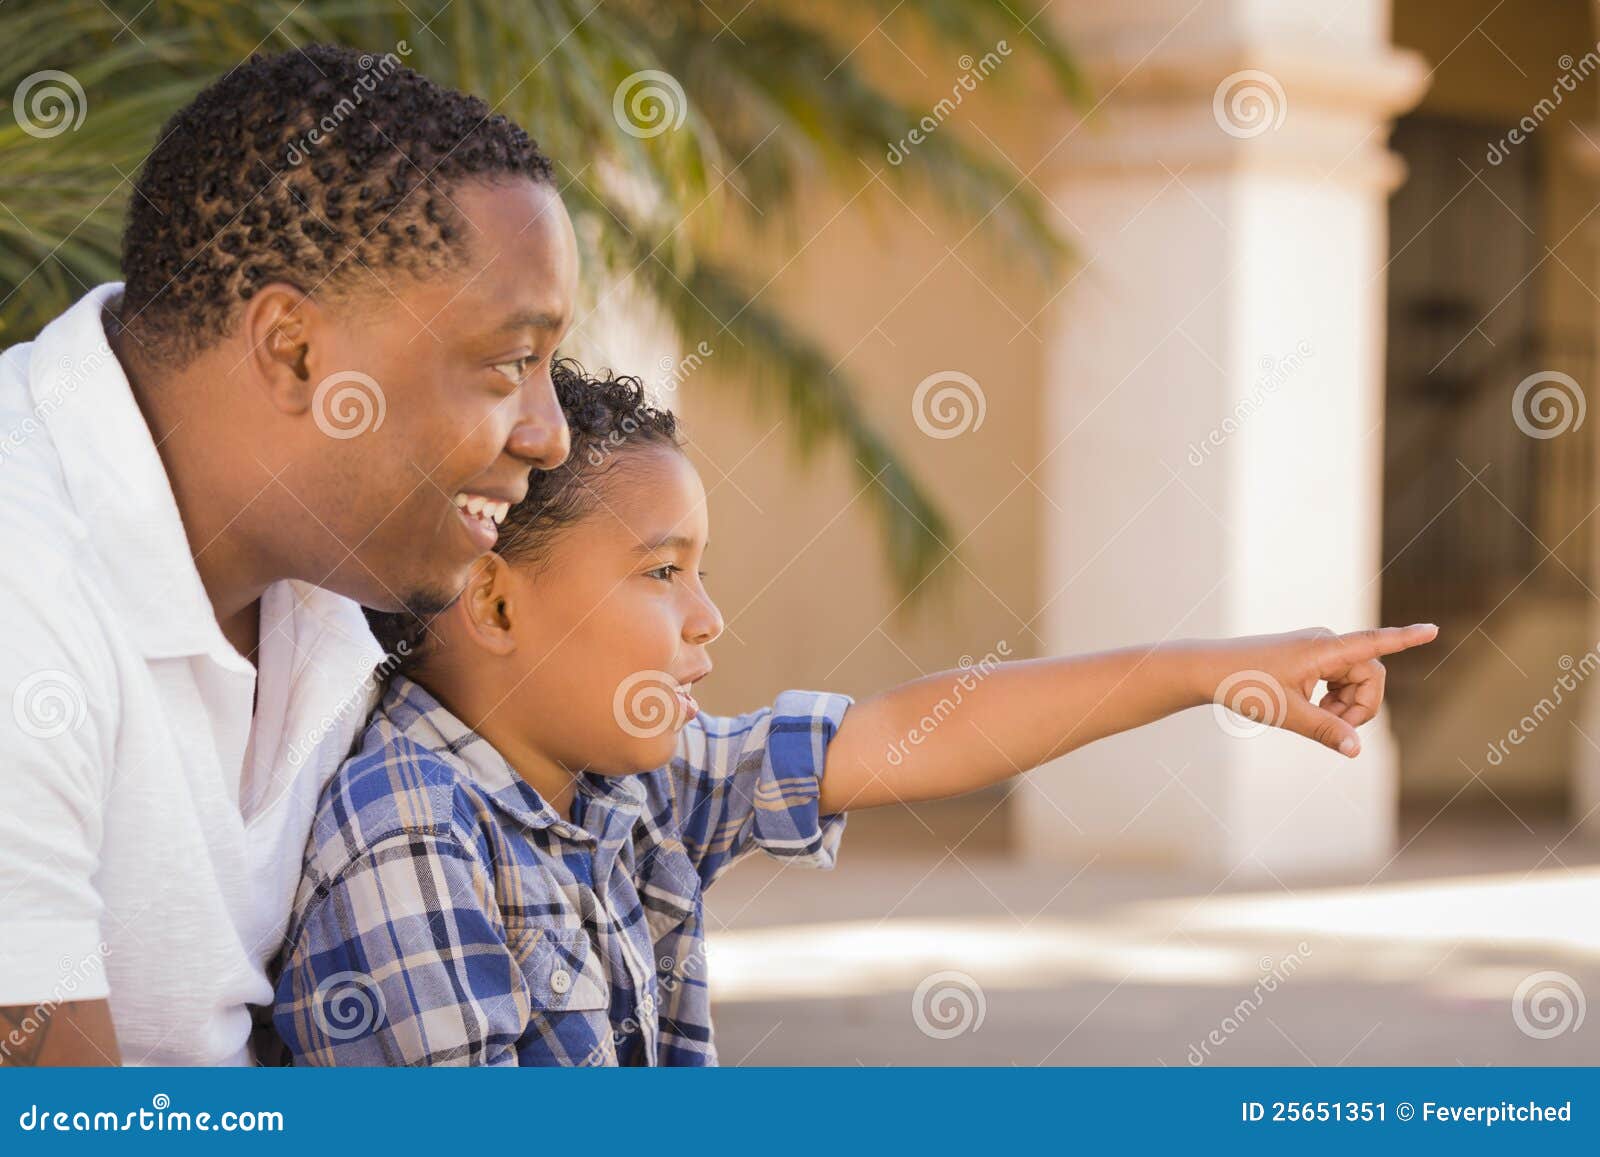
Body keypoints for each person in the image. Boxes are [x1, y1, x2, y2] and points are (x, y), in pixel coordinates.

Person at [270, 361, 1438, 1066]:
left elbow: (905, 735)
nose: (709, 619)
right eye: (663, 571)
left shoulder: (618, 786)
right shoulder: (412, 835)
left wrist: (1201, 669)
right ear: (494, 598)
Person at [0, 44, 577, 1066]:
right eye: (507, 364)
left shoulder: (330, 563)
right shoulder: (23, 584)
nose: (550, 433)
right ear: (296, 352)